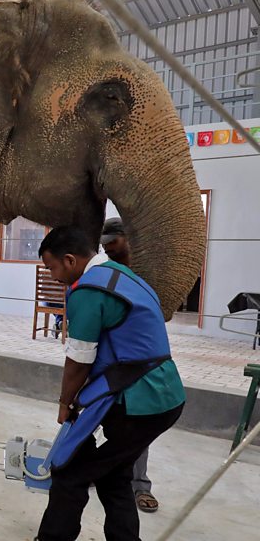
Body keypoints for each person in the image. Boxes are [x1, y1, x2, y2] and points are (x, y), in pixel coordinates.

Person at [36, 226, 185, 541]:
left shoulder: (90, 290)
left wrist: (65, 404)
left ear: (69, 260)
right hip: (164, 397)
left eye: (51, 267)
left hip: (139, 401)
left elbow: (79, 359)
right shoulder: (122, 275)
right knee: (115, 476)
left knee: (70, 472)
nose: (51, 275)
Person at [100, 217, 158, 514]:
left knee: (137, 424)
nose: (108, 246)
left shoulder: (145, 275)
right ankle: (91, 471)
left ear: (129, 239)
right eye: (105, 242)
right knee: (96, 417)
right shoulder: (104, 273)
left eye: (114, 240)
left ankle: (139, 486)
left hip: (139, 361)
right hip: (108, 357)